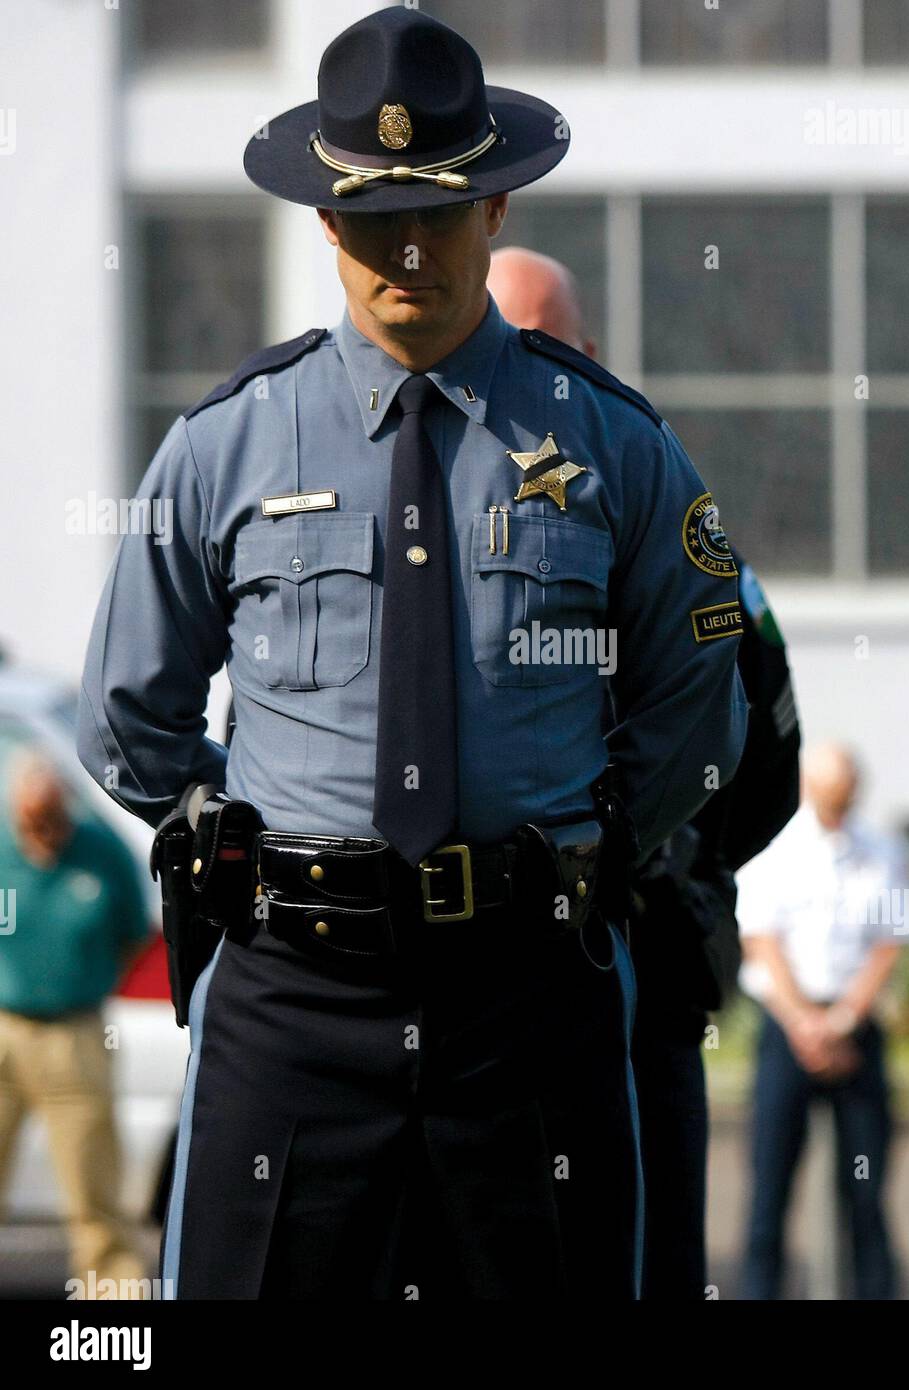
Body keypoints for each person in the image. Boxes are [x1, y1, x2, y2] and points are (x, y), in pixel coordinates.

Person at [76, 8, 748, 1300]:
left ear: (495, 208)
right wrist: (234, 831)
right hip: (293, 1003)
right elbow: (124, 711)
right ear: (323, 221)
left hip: (526, 1001)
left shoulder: (611, 445)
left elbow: (695, 691)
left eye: (436, 211)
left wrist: (599, 832)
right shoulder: (227, 443)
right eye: (371, 213)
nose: (404, 247)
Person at [487, 247, 800, 1299]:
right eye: (502, 341)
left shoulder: (667, 517)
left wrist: (663, 852)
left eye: (547, 341)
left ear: (588, 354)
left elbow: (765, 768)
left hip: (646, 964)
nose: (522, 368)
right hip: (486, 981)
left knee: (653, 1259)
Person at [737, 743, 909, 1299]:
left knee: (865, 1191)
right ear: (809, 786)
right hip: (786, 1029)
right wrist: (804, 1024)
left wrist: (842, 1021)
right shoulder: (774, 847)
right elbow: (762, 942)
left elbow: (889, 945)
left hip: (854, 1029)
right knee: (770, 1189)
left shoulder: (881, 851)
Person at [0, 749, 150, 1296]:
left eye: (48, 817)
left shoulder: (99, 849)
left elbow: (135, 930)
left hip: (77, 1032)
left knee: (93, 1186)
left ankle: (112, 1298)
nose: (39, 830)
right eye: (29, 820)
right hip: (4, 1026)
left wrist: (89, 979)